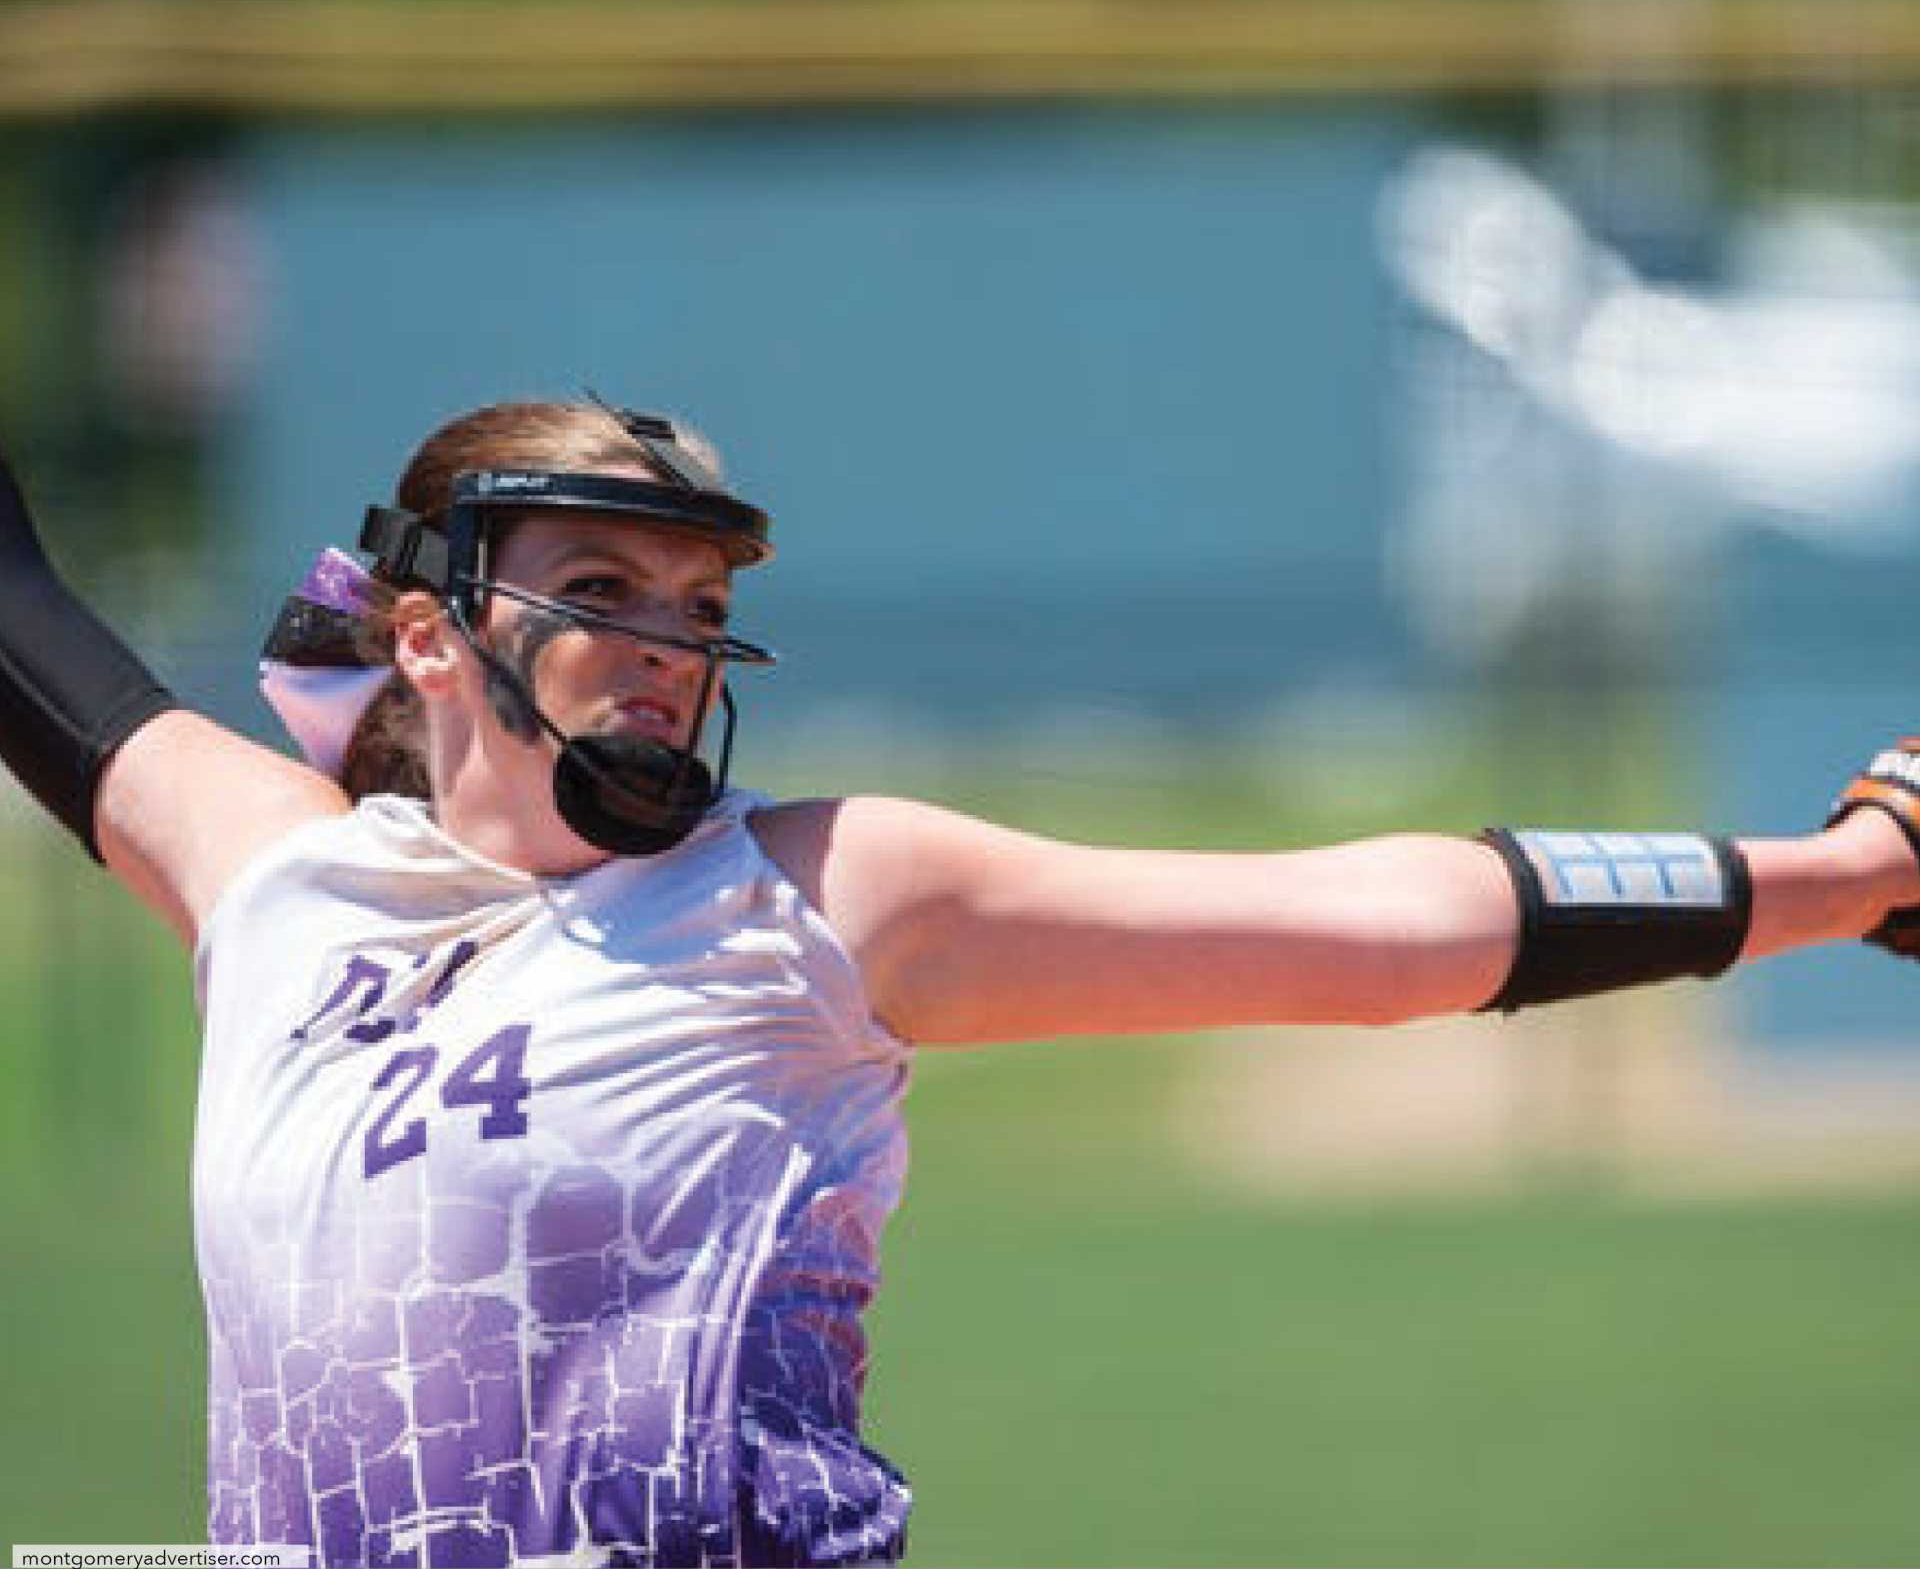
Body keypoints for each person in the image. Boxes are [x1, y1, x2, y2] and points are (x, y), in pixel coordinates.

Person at [3, 396, 1918, 1569]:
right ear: (430, 632)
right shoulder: (287, 885)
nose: (665, 647)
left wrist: (1853, 876)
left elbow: (1385, 929)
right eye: (601, 588)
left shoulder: (803, 902)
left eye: (696, 607)